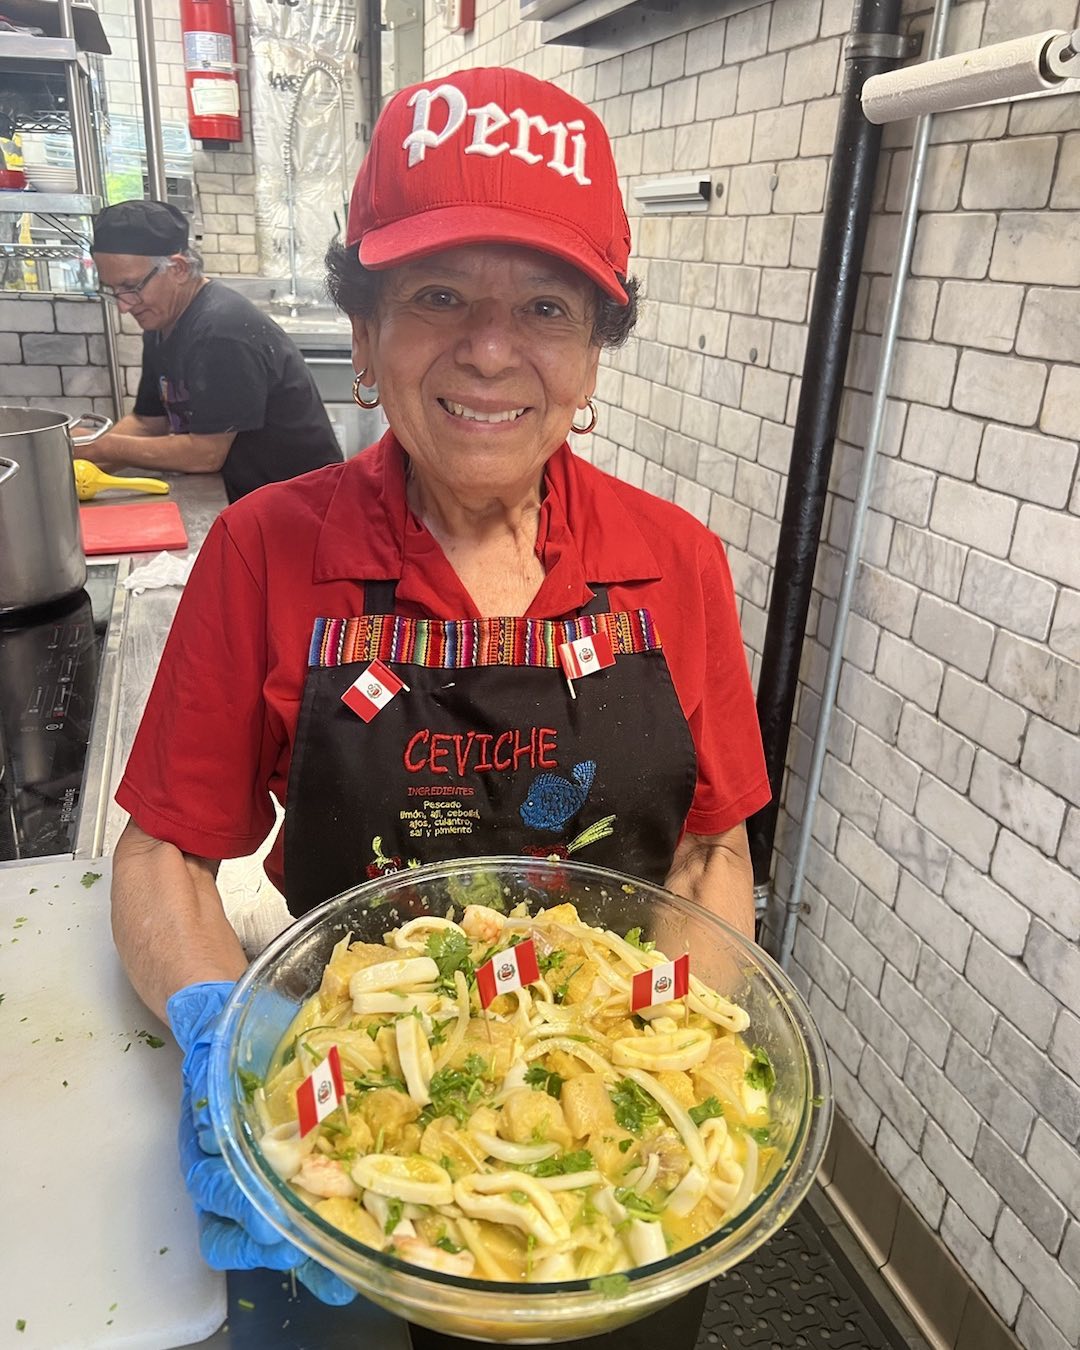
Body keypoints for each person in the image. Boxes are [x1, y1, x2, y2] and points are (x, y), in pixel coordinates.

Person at [110, 67, 771, 1309]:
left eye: (546, 306)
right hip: (354, 1141)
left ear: (590, 357)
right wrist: (221, 1041)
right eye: (434, 295)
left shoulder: (675, 563)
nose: (488, 348)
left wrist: (660, 1084)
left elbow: (706, 852)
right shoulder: (265, 548)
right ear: (363, 335)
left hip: (603, 1192)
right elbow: (162, 856)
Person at [85, 198, 343, 502]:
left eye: (131, 287)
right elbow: (148, 422)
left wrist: (102, 447)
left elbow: (205, 454)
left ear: (178, 268)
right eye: (112, 290)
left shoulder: (220, 332)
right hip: (251, 501)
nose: (123, 305)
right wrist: (85, 454)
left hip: (307, 508)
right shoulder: (161, 324)